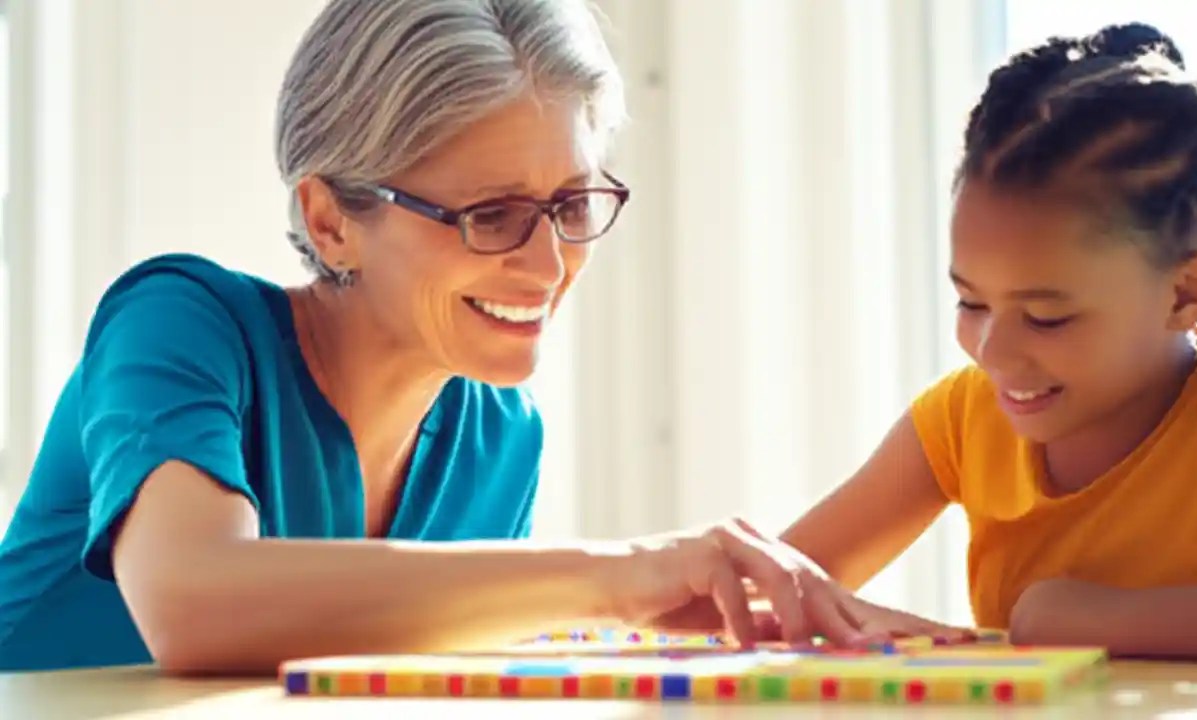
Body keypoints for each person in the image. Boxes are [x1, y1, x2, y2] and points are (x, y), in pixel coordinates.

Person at [0, 0, 975, 674]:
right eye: (491, 215)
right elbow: (193, 605)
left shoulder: (498, 438)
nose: (548, 266)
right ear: (330, 221)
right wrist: (625, 574)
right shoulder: (181, 323)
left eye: (571, 205)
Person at [782, 22, 1197, 663]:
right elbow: (770, 594)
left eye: (1047, 318)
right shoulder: (963, 420)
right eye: (971, 303)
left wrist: (1099, 622)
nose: (991, 353)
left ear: (1186, 293)